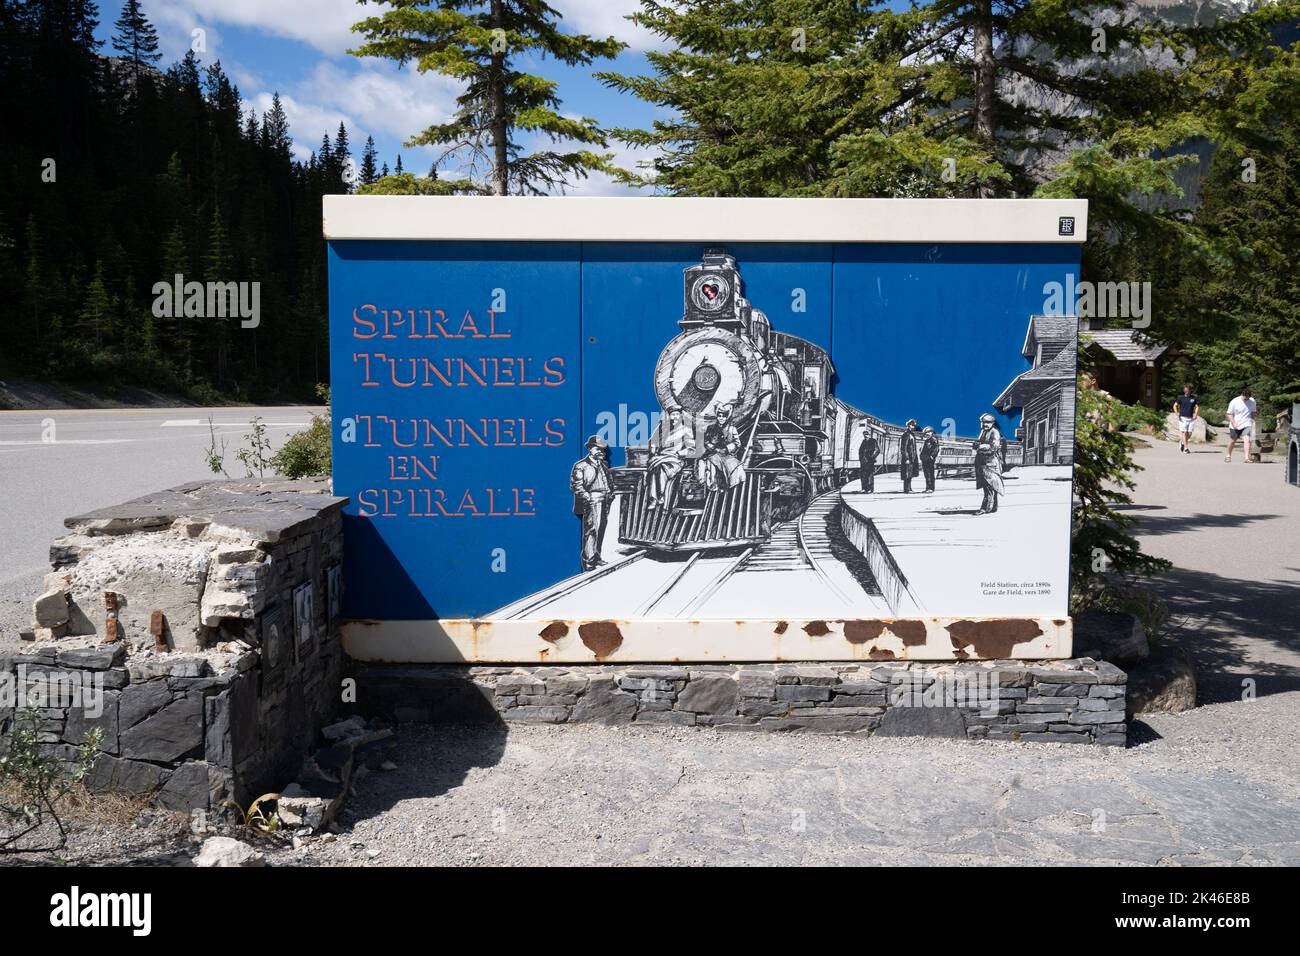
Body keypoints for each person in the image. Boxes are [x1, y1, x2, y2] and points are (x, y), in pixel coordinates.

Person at [570, 436, 613, 570]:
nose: (600, 452)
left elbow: (608, 480)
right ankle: (589, 560)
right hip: (592, 500)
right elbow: (576, 486)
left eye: (602, 449)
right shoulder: (581, 466)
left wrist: (610, 492)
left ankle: (596, 556)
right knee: (592, 529)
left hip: (605, 499)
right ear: (589, 449)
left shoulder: (604, 464)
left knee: (601, 529)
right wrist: (587, 497)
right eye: (597, 449)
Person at [646, 406, 695, 508]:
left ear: (681, 416)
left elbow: (691, 448)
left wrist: (681, 453)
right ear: (669, 416)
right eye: (673, 414)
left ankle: (659, 496)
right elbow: (653, 442)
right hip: (661, 457)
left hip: (675, 459)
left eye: (677, 414)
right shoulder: (663, 428)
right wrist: (653, 448)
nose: (675, 417)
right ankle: (655, 498)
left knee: (661, 468)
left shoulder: (686, 430)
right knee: (656, 468)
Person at [699, 402, 745, 491]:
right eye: (719, 416)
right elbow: (706, 441)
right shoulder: (711, 428)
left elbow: (737, 443)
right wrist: (714, 448)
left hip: (726, 454)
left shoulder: (732, 429)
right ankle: (714, 485)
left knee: (733, 465)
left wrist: (726, 449)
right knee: (712, 463)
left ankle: (728, 484)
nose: (721, 418)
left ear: (727, 417)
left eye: (723, 416)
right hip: (712, 453)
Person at [974, 413, 1005, 514]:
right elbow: (978, 443)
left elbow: (994, 447)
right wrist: (977, 445)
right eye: (983, 422)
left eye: (987, 422)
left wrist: (981, 447)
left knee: (990, 485)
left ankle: (985, 508)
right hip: (983, 462)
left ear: (992, 423)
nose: (985, 424)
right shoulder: (983, 432)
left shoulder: (994, 432)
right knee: (988, 486)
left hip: (991, 463)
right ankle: (993, 507)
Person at [1226, 387, 1257, 463]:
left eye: (1248, 398)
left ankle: (1246, 458)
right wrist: (1233, 423)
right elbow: (1229, 414)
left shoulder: (1252, 401)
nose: (1246, 399)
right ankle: (1228, 455)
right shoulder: (1234, 401)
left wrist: (1253, 417)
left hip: (1247, 423)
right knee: (1233, 440)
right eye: (1245, 398)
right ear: (1242, 395)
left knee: (1247, 440)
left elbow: (1253, 412)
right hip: (1235, 424)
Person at [1172, 385, 1199, 455]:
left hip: (1191, 418)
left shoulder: (1194, 398)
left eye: (1187, 390)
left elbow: (1197, 407)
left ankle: (1182, 442)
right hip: (1182, 418)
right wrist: (1177, 413)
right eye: (1185, 390)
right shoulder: (1180, 398)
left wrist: (1195, 414)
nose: (1186, 391)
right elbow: (1175, 405)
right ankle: (1186, 448)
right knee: (1184, 432)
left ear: (1190, 390)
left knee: (1189, 433)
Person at [899, 419, 921, 493]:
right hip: (908, 458)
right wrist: (906, 458)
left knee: (910, 474)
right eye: (912, 425)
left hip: (913, 458)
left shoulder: (912, 434)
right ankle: (907, 489)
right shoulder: (906, 434)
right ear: (908, 425)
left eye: (914, 425)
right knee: (907, 474)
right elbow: (903, 448)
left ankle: (909, 488)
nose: (913, 426)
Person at [857, 428, 880, 493]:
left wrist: (872, 457)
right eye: (864, 435)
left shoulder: (873, 441)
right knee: (863, 475)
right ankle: (864, 488)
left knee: (869, 475)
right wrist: (861, 458)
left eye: (867, 434)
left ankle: (870, 489)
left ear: (869, 435)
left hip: (870, 461)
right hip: (863, 461)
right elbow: (860, 451)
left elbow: (877, 450)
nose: (865, 436)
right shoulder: (863, 441)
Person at [920, 425, 940, 492]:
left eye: (928, 432)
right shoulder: (927, 441)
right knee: (926, 474)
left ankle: (931, 488)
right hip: (925, 459)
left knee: (930, 474)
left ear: (932, 432)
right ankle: (927, 488)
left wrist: (932, 456)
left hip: (930, 460)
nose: (927, 434)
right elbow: (924, 450)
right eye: (926, 433)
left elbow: (936, 449)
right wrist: (921, 456)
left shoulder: (934, 440)